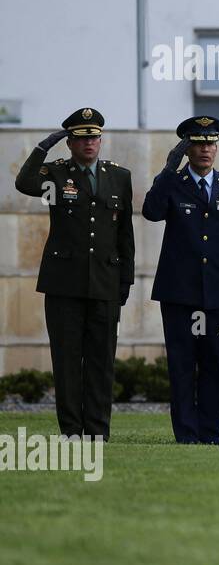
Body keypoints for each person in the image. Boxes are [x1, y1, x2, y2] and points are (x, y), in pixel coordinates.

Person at [14, 108, 134, 438]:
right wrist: (42, 148)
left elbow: (125, 234)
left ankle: (97, 430)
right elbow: (24, 183)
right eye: (81, 138)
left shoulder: (118, 176)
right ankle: (71, 429)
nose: (89, 144)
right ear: (70, 143)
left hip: (105, 283)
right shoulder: (55, 174)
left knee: (101, 361)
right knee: (67, 361)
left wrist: (126, 281)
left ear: (101, 139)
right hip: (63, 283)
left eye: (94, 137)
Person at [141, 116, 219, 444]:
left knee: (215, 366)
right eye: (198, 143)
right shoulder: (173, 184)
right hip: (179, 295)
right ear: (187, 148)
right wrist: (168, 168)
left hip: (218, 295)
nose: (205, 149)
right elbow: (151, 211)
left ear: (217, 147)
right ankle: (186, 434)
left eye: (211, 143)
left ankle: (210, 433)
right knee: (182, 366)